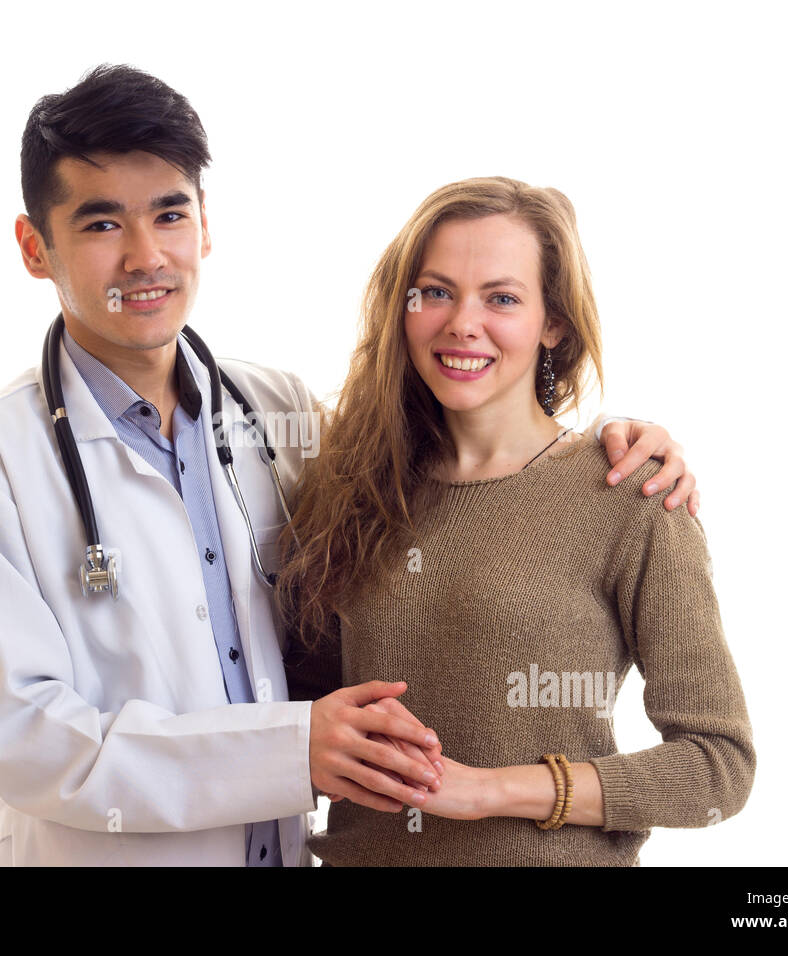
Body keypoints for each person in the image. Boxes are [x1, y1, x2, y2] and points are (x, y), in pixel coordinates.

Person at [0, 65, 700, 866]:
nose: (146, 257)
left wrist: (607, 439)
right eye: (100, 225)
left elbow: (458, 484)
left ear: (205, 228)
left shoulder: (277, 415)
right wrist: (291, 749)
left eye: (169, 214)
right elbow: (31, 742)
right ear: (33, 248)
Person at [279, 176, 755, 866]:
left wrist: (491, 791)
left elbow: (718, 767)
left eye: (501, 298)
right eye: (436, 292)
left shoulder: (629, 491)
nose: (461, 323)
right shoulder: (348, 491)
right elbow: (303, 712)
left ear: (552, 322)